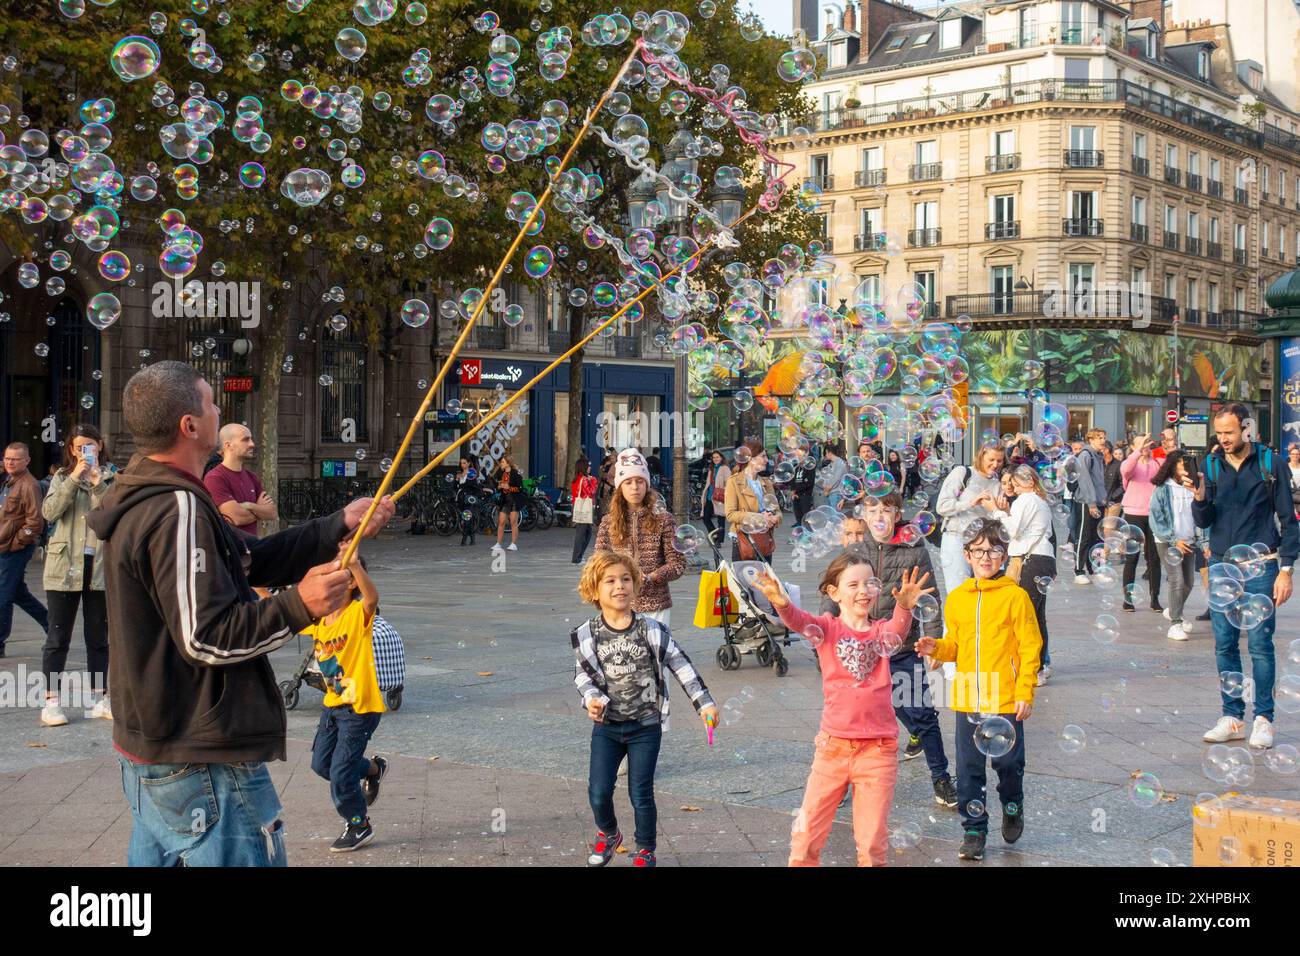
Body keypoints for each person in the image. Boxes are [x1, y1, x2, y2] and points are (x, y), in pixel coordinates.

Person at [85, 361, 395, 867]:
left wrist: (337, 523)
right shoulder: (177, 509)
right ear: (189, 425)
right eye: (209, 402)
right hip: (200, 751)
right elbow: (206, 637)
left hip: (157, 740)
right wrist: (299, 606)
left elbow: (248, 559)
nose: (219, 410)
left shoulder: (156, 495)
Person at [753, 557, 933, 866]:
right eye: (853, 585)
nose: (863, 591)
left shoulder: (879, 632)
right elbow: (798, 620)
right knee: (806, 836)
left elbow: (897, 632)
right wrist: (781, 604)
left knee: (872, 841)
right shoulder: (826, 628)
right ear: (834, 593)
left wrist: (903, 607)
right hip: (832, 749)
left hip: (877, 751)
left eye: (869, 583)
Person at [573, 550, 717, 868]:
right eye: (609, 580)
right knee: (598, 792)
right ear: (594, 590)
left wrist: (704, 703)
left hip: (646, 725)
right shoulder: (588, 634)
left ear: (635, 585)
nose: (619, 586)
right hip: (608, 726)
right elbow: (583, 675)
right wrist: (591, 700)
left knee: (640, 792)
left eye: (626, 579)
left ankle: (645, 850)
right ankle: (609, 833)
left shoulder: (651, 629)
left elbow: (681, 665)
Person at [916, 518, 1041, 863]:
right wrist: (936, 648)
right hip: (969, 695)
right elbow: (955, 646)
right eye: (978, 551)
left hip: (1004, 695)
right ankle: (974, 830)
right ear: (967, 555)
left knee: (1009, 764)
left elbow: (1031, 647)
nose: (986, 557)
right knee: (969, 767)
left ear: (1004, 555)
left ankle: (1012, 804)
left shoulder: (1016, 597)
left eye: (994, 550)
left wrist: (1025, 691)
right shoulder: (957, 599)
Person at [824, 498, 957, 809]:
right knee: (853, 719)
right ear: (865, 516)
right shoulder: (855, 550)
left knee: (922, 713)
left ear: (897, 514)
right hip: (861, 646)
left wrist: (934, 640)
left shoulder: (914, 548)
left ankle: (941, 779)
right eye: (872, 510)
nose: (879, 516)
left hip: (903, 644)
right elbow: (833, 593)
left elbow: (929, 596)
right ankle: (843, 780)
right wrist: (828, 631)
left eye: (885, 510)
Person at [1193, 403, 1298, 750]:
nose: (1223, 439)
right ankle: (1232, 716)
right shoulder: (1209, 465)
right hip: (1222, 562)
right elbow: (1205, 521)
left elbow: (1289, 520)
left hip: (1262, 563)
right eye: (1219, 432)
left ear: (1246, 429)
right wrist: (1198, 501)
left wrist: (1285, 570)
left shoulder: (1271, 464)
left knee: (1259, 645)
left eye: (1229, 432)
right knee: (1224, 644)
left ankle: (1263, 718)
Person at [305, 550, 388, 853]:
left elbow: (372, 598)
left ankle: (358, 823)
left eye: (338, 576)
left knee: (340, 773)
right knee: (322, 764)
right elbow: (279, 612)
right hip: (332, 706)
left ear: (351, 583)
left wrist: (353, 563)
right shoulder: (320, 619)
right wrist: (255, 579)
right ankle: (372, 770)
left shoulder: (357, 613)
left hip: (359, 708)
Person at [39, 425, 115, 726]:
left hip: (98, 567)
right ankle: (51, 702)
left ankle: (100, 698)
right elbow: (49, 512)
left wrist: (97, 483)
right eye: (79, 446)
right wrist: (74, 478)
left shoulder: (112, 478)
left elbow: (112, 515)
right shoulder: (60, 478)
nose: (84, 451)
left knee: (98, 638)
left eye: (90, 446)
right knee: (57, 637)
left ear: (100, 445)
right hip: (63, 567)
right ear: (71, 450)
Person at [593, 448, 684, 627]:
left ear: (647, 485)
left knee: (655, 653)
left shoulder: (663, 519)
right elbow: (599, 561)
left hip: (656, 604)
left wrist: (653, 576)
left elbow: (678, 564)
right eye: (628, 482)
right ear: (620, 487)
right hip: (619, 603)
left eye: (640, 481)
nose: (635, 487)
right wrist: (620, 577)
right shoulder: (608, 521)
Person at [984, 466, 1058, 685]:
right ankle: (1040, 666)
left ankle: (1033, 668)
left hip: (1030, 561)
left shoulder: (1027, 500)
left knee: (1026, 617)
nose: (1013, 487)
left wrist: (995, 511)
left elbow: (1012, 531)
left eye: (1016, 483)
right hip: (1043, 558)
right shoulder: (1040, 502)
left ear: (1030, 482)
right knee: (1037, 615)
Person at [934, 443, 1005, 594]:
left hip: (983, 543)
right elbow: (942, 506)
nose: (995, 464)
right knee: (958, 592)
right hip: (956, 538)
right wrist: (971, 503)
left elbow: (993, 516)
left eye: (999, 461)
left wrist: (1000, 509)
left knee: (987, 593)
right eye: (991, 459)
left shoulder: (997, 482)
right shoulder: (964, 473)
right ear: (981, 456)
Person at [0, 442, 48, 658]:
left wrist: (18, 542)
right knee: (18, 593)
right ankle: (52, 626)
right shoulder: (9, 482)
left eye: (15, 459)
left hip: (15, 549)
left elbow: (35, 522)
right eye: (7, 458)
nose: (10, 462)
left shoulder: (28, 485)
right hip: (5, 546)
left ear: (27, 461)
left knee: (3, 595)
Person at [1148, 451, 1200, 642]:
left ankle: (1173, 609)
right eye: (1180, 464)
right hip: (1167, 541)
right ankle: (1175, 623)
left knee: (1189, 582)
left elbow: (1200, 514)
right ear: (1171, 467)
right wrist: (1172, 539)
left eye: (1186, 464)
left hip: (1189, 540)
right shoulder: (1163, 489)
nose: (1184, 468)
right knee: (1176, 580)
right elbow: (1156, 517)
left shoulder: (1192, 487)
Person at [203, 423, 277, 537]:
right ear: (228, 445)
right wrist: (259, 509)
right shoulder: (215, 478)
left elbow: (272, 513)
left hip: (254, 549)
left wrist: (249, 505)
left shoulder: (252, 477)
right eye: (246, 440)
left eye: (251, 439)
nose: (252, 444)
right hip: (232, 551)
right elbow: (236, 517)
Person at [1119, 433, 1164, 613]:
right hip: (1133, 513)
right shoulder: (1131, 463)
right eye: (1140, 445)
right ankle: (1127, 600)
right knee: (1132, 558)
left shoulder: (1157, 464)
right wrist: (1138, 452)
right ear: (1133, 448)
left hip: (1153, 515)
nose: (1145, 447)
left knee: (1154, 558)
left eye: (1147, 444)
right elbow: (1126, 470)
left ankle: (1155, 598)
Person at [724, 441, 781, 562]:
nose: (766, 460)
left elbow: (777, 511)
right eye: (763, 456)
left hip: (764, 539)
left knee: (765, 579)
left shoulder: (767, 483)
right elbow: (730, 514)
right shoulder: (734, 481)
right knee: (744, 579)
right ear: (751, 459)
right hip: (744, 539)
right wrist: (762, 518)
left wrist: (775, 518)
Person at [1072, 428, 1108, 582]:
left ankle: (1096, 568)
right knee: (1084, 536)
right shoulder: (1086, 455)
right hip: (1086, 502)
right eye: (1099, 437)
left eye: (1104, 437)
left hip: (1098, 502)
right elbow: (1085, 480)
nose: (1103, 440)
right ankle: (1079, 571)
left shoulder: (1098, 456)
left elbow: (1100, 482)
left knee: (1097, 537)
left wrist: (1103, 499)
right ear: (1091, 440)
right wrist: (1091, 503)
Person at [492, 454, 525, 552]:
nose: (501, 464)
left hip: (514, 500)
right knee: (501, 521)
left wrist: (509, 488)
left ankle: (514, 544)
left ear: (508, 463)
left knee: (513, 522)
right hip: (505, 500)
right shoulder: (500, 473)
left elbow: (520, 488)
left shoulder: (515, 473)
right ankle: (498, 543)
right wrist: (498, 487)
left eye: (502, 462)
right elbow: (496, 482)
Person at [571, 460, 599, 564]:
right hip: (584, 509)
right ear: (584, 467)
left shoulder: (577, 478)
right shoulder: (584, 479)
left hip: (579, 507)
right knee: (582, 534)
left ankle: (579, 556)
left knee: (586, 533)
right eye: (588, 466)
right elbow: (591, 492)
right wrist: (594, 481)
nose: (590, 468)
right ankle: (576, 558)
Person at [700, 449, 731, 542]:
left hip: (719, 497)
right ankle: (715, 534)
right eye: (714, 457)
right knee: (705, 518)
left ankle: (719, 541)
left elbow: (729, 483)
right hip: (710, 496)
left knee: (720, 519)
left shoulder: (725, 468)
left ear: (721, 458)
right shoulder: (711, 469)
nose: (715, 459)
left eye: (717, 457)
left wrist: (723, 490)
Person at [455, 455, 480, 546]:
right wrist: (457, 479)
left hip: (469, 499)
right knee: (466, 518)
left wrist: (463, 482)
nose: (462, 465)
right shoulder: (459, 473)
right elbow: (455, 487)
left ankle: (464, 538)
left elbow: (474, 486)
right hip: (461, 499)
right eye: (461, 463)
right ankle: (472, 537)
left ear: (468, 463)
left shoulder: (471, 473)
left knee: (467, 519)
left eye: (464, 463)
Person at [790, 449, 816, 527]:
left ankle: (806, 533)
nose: (798, 456)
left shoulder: (810, 467)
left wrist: (796, 490)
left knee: (806, 518)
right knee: (798, 515)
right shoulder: (797, 467)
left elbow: (809, 483)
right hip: (796, 495)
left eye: (800, 454)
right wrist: (792, 490)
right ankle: (799, 528)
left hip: (805, 496)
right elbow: (792, 479)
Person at [817, 442, 847, 508]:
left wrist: (827, 489)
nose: (825, 456)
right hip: (830, 493)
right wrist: (825, 488)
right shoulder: (831, 464)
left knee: (835, 516)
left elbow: (836, 478)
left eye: (825, 453)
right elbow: (826, 477)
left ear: (828, 452)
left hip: (836, 493)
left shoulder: (839, 462)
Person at [1288, 443, 1300, 520]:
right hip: (1290, 497)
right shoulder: (1285, 467)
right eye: (1293, 454)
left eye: (1297, 454)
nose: (1295, 456)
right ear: (1289, 455)